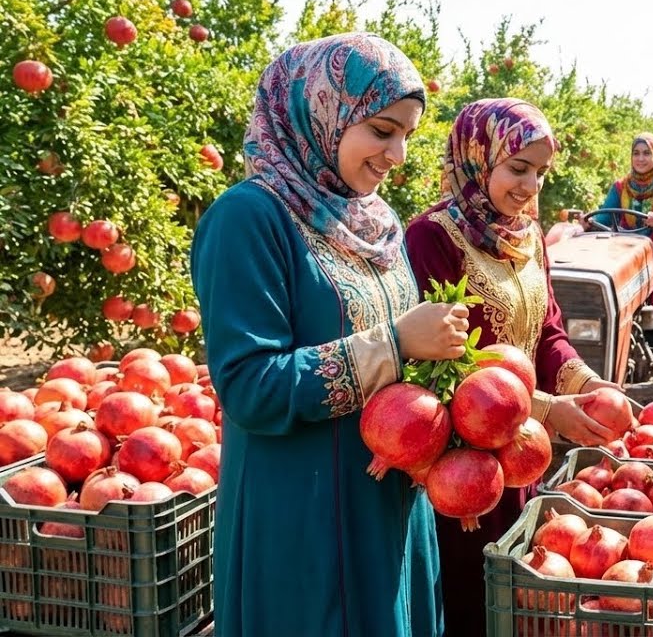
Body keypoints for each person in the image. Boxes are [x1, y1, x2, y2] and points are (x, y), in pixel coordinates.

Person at [190, 33, 469, 637]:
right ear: (319, 113)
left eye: (406, 135)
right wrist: (395, 345)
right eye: (382, 130)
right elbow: (249, 386)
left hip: (389, 505)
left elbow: (409, 367)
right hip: (305, 513)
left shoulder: (379, 224)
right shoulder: (248, 219)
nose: (397, 154)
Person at [403, 97, 619, 635]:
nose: (530, 186)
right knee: (470, 599)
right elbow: (441, 360)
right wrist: (547, 409)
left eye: (540, 172)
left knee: (517, 596)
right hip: (461, 462)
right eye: (518, 168)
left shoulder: (527, 237)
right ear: (478, 158)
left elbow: (548, 332)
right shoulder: (432, 237)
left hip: (520, 456)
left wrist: (589, 385)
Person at [592, 132, 653, 346]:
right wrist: (588, 221)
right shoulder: (621, 186)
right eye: (636, 153)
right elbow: (604, 215)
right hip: (624, 247)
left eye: (646, 153)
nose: (640, 158)